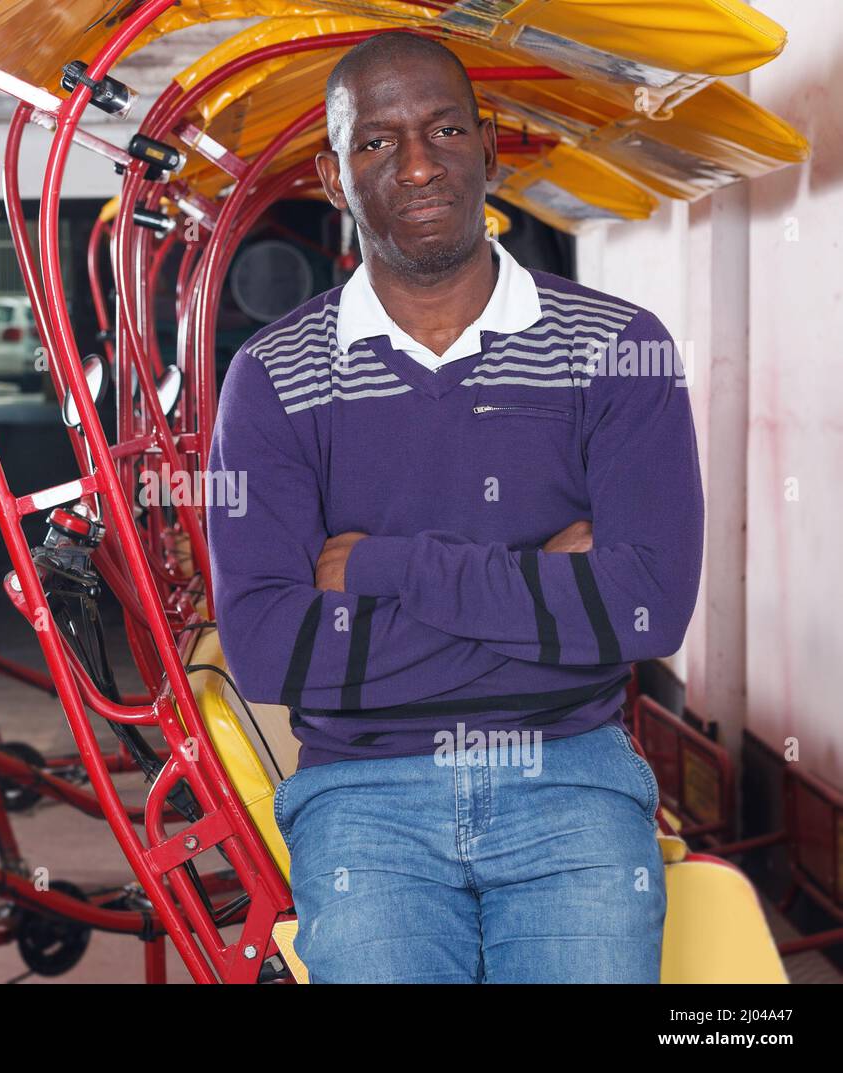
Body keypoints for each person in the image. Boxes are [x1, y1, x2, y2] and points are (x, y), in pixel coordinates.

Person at [205, 31, 703, 983]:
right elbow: (270, 647)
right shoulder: (271, 376)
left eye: (441, 129)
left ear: (490, 144)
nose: (419, 162)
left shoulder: (618, 347)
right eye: (377, 142)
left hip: (571, 775)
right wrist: (551, 591)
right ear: (333, 173)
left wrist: (385, 570)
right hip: (360, 794)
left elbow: (650, 608)